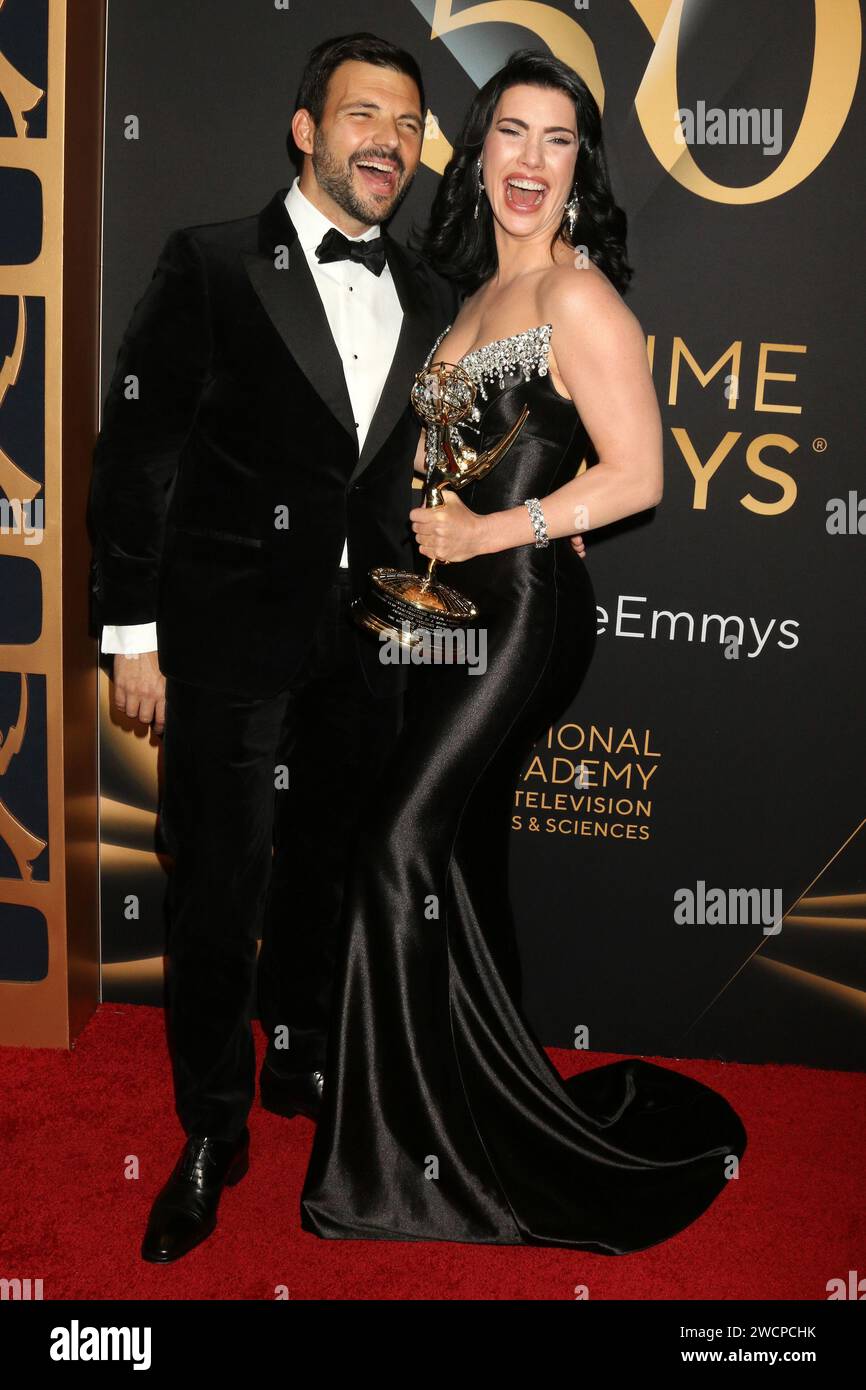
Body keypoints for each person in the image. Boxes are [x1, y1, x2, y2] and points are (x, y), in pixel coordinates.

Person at [300, 49, 747, 1251]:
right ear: (479, 150)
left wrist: (502, 527)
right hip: (443, 615)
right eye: (511, 133)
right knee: (453, 863)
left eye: (557, 141)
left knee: (396, 847)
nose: (530, 163)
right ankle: (479, 1112)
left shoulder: (575, 298)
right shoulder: (466, 300)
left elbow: (641, 474)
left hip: (521, 614)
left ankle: (403, 1162)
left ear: (579, 169)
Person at [87, 31, 459, 1263]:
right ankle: (209, 1126)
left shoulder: (430, 294)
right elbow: (136, 453)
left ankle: (299, 1050)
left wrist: (536, 523)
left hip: (364, 649)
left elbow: (460, 448)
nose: (387, 145)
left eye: (406, 126)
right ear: (305, 130)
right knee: (213, 891)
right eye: (363, 116)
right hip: (225, 638)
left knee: (326, 869)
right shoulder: (210, 265)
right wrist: (129, 631)